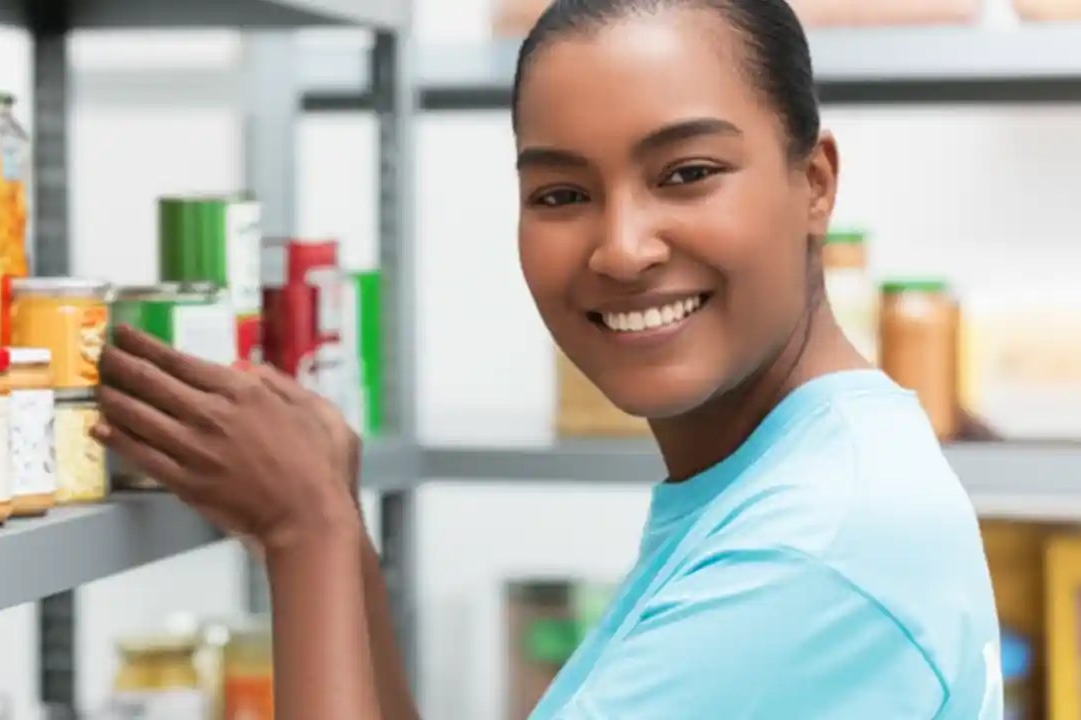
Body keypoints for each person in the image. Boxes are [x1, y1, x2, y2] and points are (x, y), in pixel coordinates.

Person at [93, 0, 1002, 717]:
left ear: (814, 182)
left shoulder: (813, 553)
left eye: (686, 173)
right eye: (562, 192)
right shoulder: (776, 482)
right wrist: (337, 527)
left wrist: (306, 536)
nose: (622, 248)